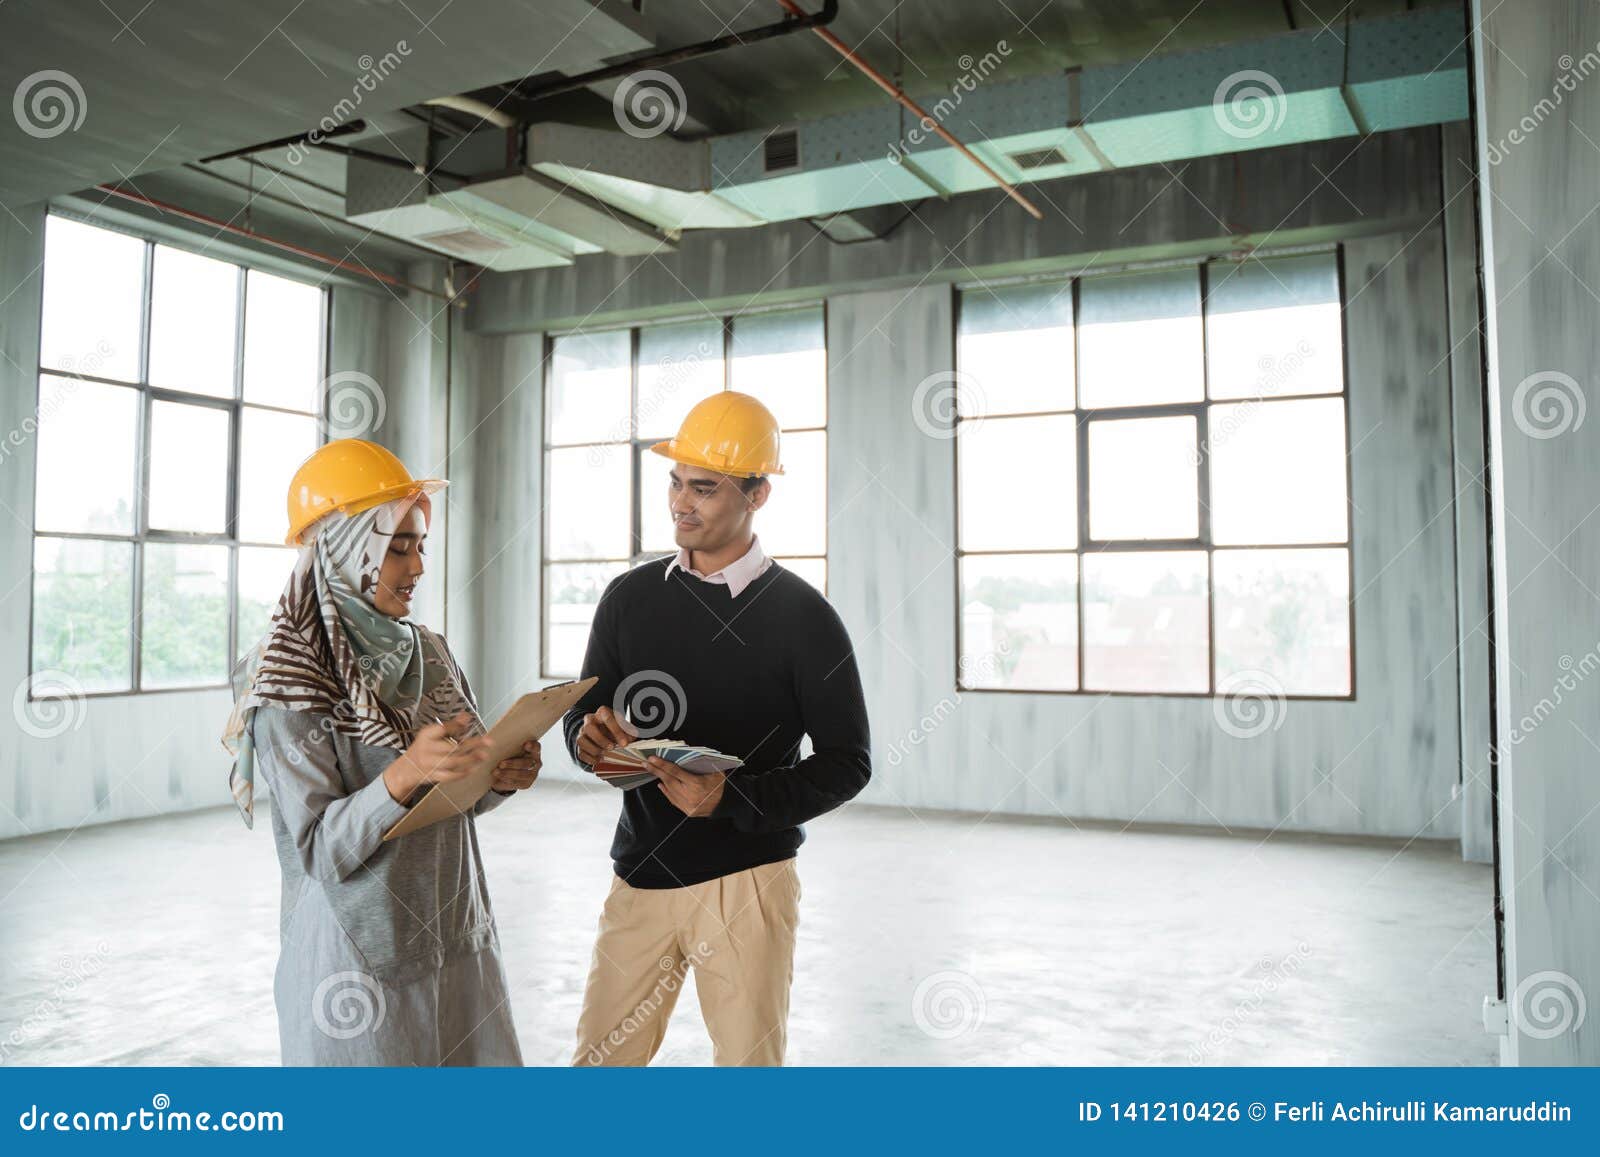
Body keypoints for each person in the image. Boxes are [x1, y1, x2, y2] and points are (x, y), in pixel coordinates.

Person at [563, 390, 871, 1067]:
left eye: (703, 487)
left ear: (757, 494)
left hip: (749, 884)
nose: (680, 501)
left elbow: (848, 761)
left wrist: (732, 799)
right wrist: (586, 740)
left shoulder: (804, 618)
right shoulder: (629, 599)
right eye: (675, 481)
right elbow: (582, 717)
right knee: (596, 1070)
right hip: (639, 876)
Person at [223, 438, 537, 1066]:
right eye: (398, 548)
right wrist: (402, 774)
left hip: (455, 934)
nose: (417, 567)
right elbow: (321, 848)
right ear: (344, 549)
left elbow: (458, 799)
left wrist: (501, 776)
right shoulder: (290, 674)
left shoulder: (430, 652)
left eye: (421, 546)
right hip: (356, 967)